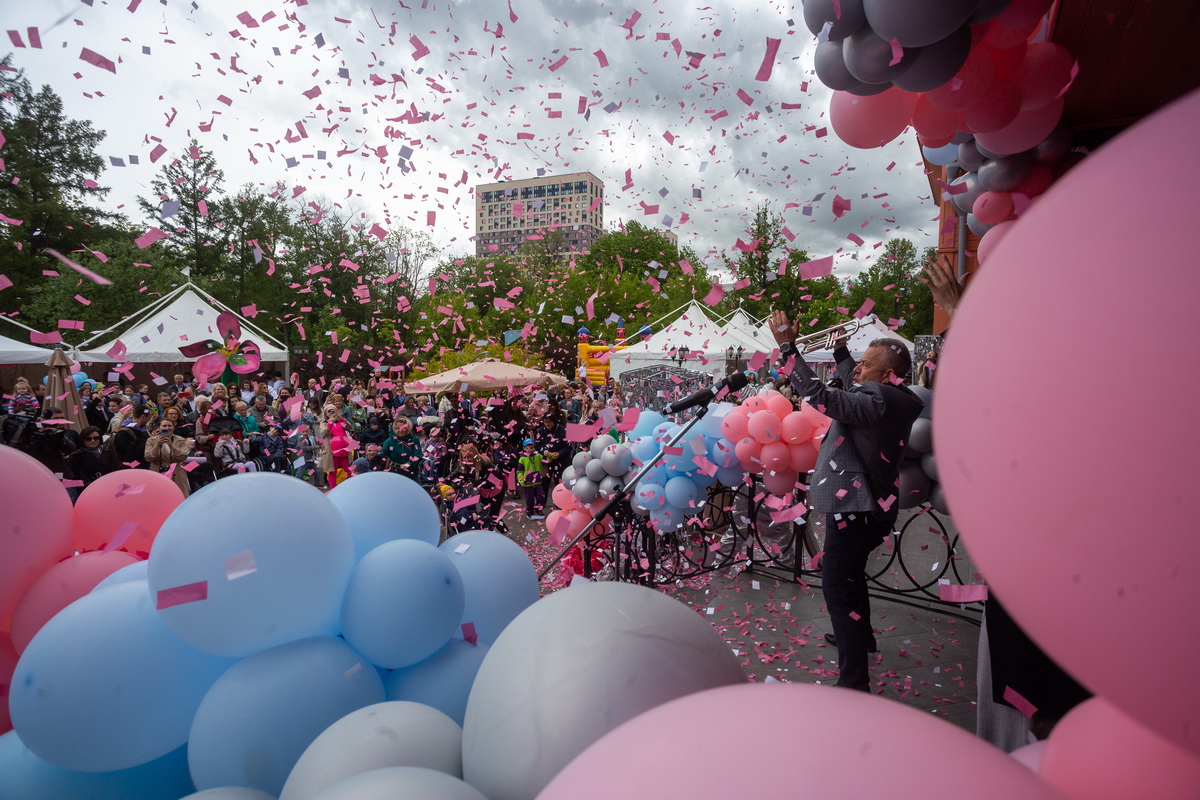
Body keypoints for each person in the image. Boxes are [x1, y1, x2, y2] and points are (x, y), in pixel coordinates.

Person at [770, 308, 924, 692]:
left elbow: (822, 397)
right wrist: (841, 354)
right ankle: (863, 637)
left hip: (856, 508)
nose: (858, 369)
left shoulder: (877, 400)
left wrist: (789, 350)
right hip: (871, 508)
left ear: (888, 374)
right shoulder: (891, 397)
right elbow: (854, 386)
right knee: (851, 579)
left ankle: (853, 681)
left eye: (866, 364)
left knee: (838, 584)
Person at [145, 416, 193, 498]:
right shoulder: (151, 440)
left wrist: (171, 445)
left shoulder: (180, 439)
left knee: (179, 497)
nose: (167, 428)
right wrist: (157, 445)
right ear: (158, 427)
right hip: (157, 472)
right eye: (164, 426)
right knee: (158, 498)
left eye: (170, 426)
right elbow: (148, 457)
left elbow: (183, 456)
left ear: (174, 427)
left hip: (177, 473)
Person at [381, 416, 422, 480]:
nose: (400, 430)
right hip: (394, 474)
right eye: (398, 428)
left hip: (411, 474)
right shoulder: (388, 442)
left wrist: (408, 464)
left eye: (403, 428)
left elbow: (417, 455)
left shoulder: (414, 440)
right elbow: (383, 457)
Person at [517, 437, 545, 519]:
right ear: (524, 448)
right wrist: (521, 480)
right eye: (528, 448)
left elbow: (546, 460)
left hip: (538, 481)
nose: (530, 450)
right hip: (528, 483)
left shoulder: (538, 456)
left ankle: (538, 509)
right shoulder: (522, 459)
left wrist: (550, 455)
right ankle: (529, 511)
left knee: (541, 496)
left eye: (532, 447)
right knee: (529, 499)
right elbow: (520, 471)